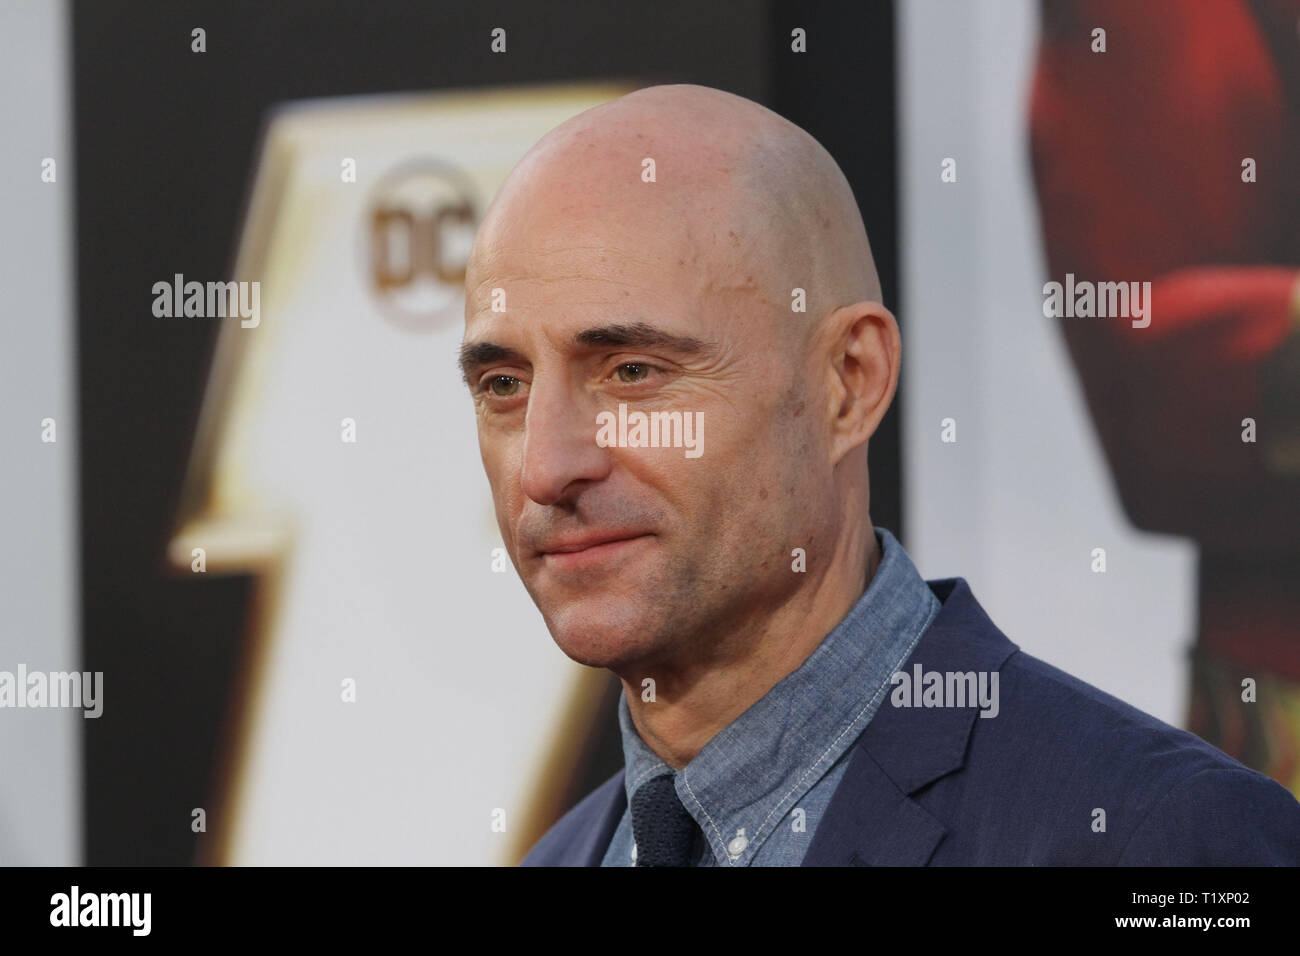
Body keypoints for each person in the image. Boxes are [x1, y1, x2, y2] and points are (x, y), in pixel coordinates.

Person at [458, 84, 1300, 865]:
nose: (546, 466)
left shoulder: (1164, 842)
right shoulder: (559, 858)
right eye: (504, 386)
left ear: (848, 383)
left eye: (632, 371)